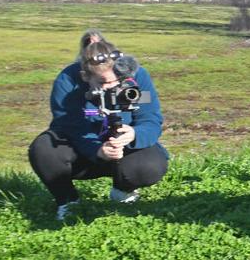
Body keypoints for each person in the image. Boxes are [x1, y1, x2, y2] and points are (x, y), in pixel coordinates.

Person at [28, 30, 169, 221]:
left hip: (125, 150)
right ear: (85, 76)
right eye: (103, 82)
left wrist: (134, 134)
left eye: (116, 82)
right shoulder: (68, 80)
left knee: (151, 165)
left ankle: (123, 190)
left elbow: (150, 118)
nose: (112, 87)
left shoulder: (137, 76)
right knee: (44, 148)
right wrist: (97, 149)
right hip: (83, 151)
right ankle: (68, 202)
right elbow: (68, 126)